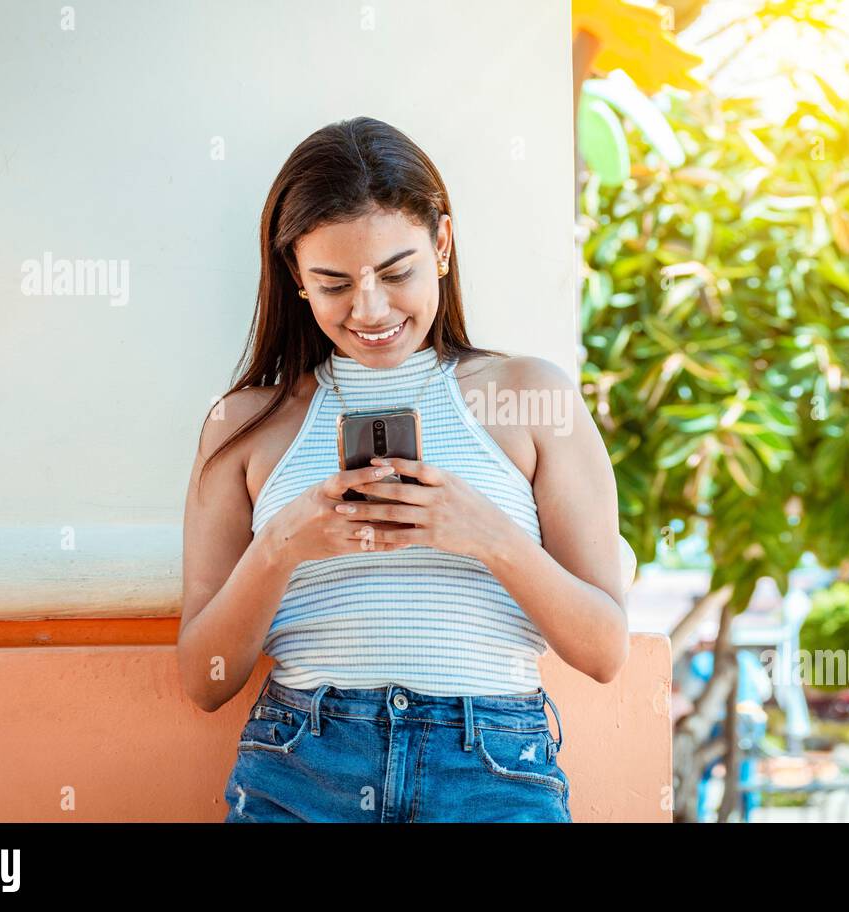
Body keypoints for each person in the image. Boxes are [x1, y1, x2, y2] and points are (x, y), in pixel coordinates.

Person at [178, 116, 628, 822]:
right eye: (332, 282)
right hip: (302, 766)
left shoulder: (532, 396)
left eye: (396, 273)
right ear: (294, 274)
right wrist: (282, 546)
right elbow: (204, 679)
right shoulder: (241, 426)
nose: (370, 309)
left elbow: (604, 650)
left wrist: (485, 534)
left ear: (441, 244)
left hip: (490, 768)